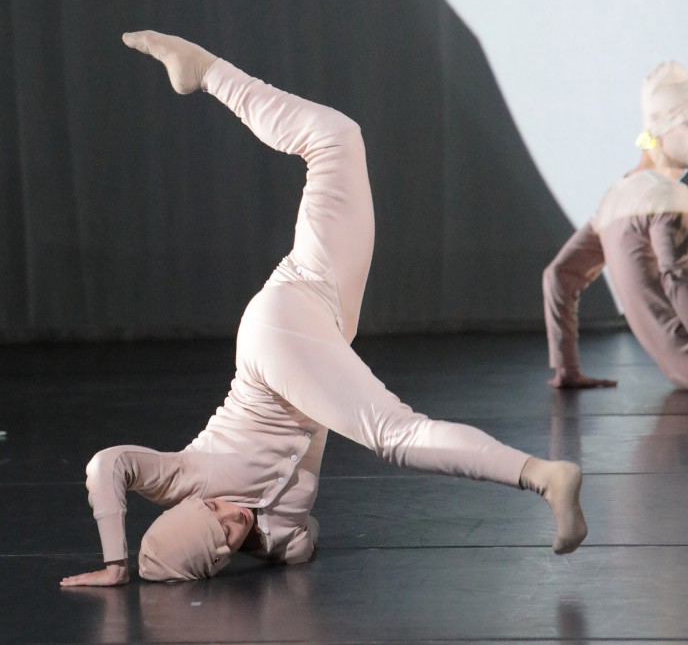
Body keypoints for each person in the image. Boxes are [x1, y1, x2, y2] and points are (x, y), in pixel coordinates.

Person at [60, 31, 586, 587]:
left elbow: (107, 464)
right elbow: (296, 539)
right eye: (226, 535)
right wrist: (271, 539)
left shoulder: (187, 477)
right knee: (340, 138)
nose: (227, 515)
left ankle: (545, 477)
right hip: (324, 323)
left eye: (209, 511)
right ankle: (205, 72)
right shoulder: (282, 538)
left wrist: (117, 561)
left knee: (395, 434)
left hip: (279, 333)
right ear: (220, 561)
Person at [544, 61, 688, 390]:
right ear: (663, 131)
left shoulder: (613, 199)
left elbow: (558, 276)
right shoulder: (669, 196)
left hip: (675, 371)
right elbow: (676, 277)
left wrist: (566, 367)